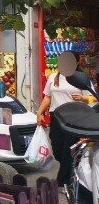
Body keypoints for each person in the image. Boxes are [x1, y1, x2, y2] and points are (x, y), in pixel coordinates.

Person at [37, 55, 87, 194]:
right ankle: (70, 171)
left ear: (77, 63)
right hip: (56, 118)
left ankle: (63, 182)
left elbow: (93, 98)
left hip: (75, 119)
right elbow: (48, 96)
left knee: (67, 151)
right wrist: (40, 112)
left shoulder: (81, 78)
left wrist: (83, 98)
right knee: (57, 149)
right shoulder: (53, 77)